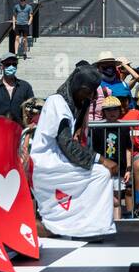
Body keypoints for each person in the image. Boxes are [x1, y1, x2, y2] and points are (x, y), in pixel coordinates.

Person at [30, 64, 117, 238]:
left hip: (57, 162)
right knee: (101, 173)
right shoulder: (57, 103)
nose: (93, 97)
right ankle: (91, 227)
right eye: (91, 92)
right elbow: (66, 145)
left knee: (99, 174)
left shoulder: (69, 102)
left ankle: (82, 224)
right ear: (82, 88)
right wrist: (100, 159)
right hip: (49, 164)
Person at [0, 55, 34, 124]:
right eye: (8, 64)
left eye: (14, 64)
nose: (11, 67)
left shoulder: (25, 86)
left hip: (19, 129)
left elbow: (32, 108)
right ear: (2, 66)